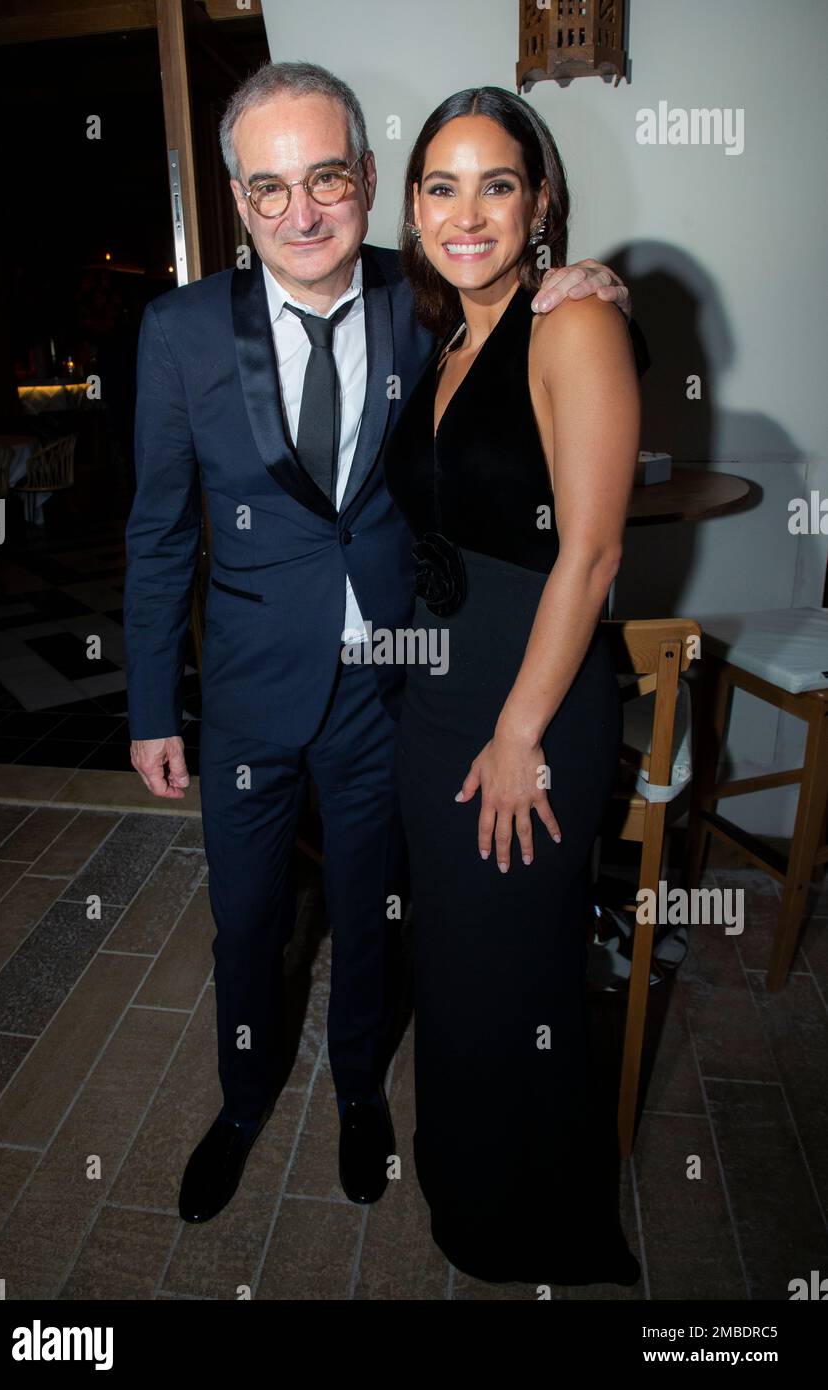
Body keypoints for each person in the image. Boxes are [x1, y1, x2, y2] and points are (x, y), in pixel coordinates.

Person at [123, 61, 644, 1227]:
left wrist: (587, 282)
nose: (300, 213)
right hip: (252, 693)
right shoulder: (178, 333)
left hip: (396, 690)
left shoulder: (425, 298)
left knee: (372, 915)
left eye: (324, 179)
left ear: (366, 180)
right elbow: (157, 534)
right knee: (249, 920)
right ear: (234, 198)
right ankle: (244, 1100)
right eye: (267, 189)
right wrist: (153, 704)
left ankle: (361, 1093)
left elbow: (528, 333)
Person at [382, 87, 642, 1285]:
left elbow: (587, 552)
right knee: (458, 959)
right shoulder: (447, 333)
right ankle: (468, 1181)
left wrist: (518, 730)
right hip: (437, 697)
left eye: (497, 182)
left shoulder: (568, 325)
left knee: (512, 963)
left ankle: (526, 1214)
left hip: (521, 702)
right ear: (415, 208)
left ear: (539, 202)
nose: (466, 210)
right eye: (441, 184)